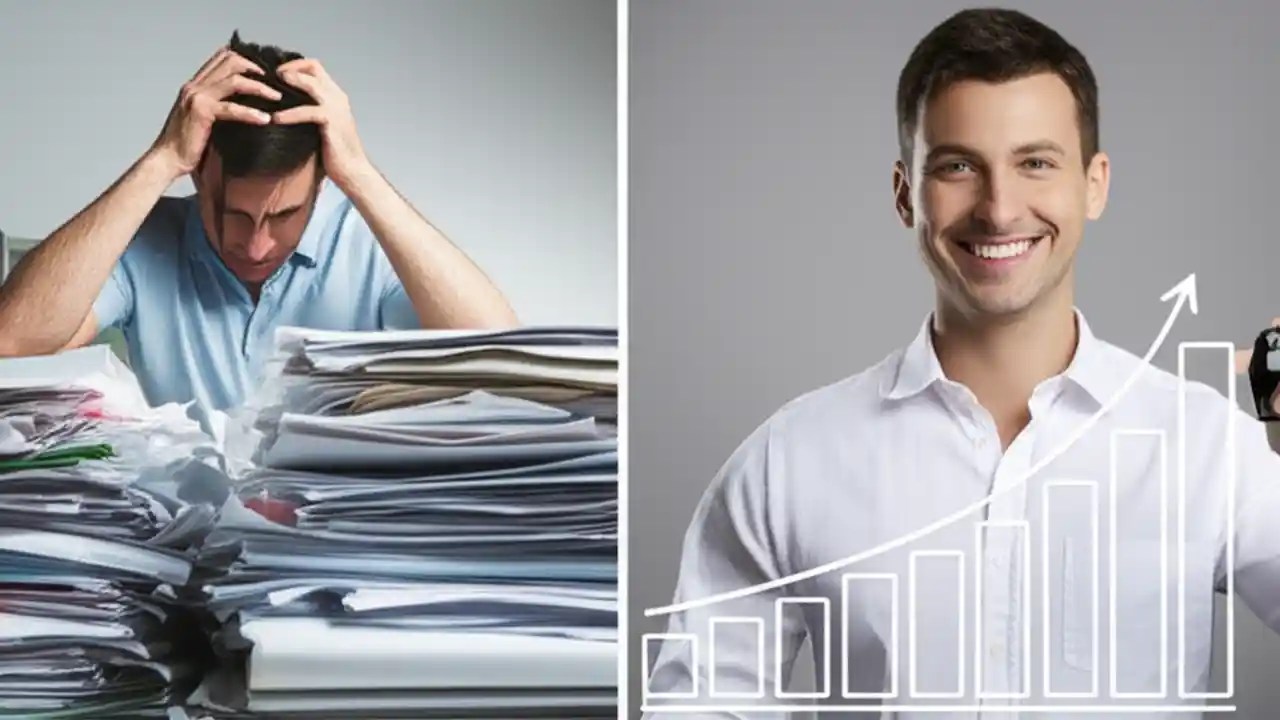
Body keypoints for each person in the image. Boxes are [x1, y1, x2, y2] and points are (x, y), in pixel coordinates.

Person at [644, 8, 1280, 717]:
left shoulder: (1207, 446)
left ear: (1094, 184)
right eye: (957, 167)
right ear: (904, 195)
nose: (999, 210)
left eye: (1035, 163)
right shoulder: (789, 461)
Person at [0, 32, 517, 413]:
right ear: (198, 172)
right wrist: (162, 159)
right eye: (233, 214)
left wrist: (359, 172)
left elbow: (503, 358)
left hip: (333, 520)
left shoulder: (367, 242)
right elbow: (12, 343)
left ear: (322, 183)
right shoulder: (147, 237)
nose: (255, 245)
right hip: (187, 524)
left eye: (285, 215)